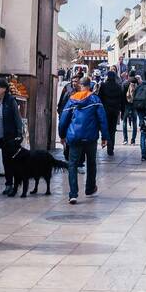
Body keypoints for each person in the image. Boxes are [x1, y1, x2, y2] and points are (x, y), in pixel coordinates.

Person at [58, 74, 108, 202]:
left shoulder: (72, 99)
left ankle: (73, 194)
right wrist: (104, 137)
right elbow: (102, 119)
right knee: (91, 163)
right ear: (90, 85)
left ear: (80, 86)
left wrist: (62, 135)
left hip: (74, 137)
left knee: (72, 164)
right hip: (90, 137)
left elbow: (64, 119)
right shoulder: (95, 100)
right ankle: (90, 188)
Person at [0, 76, 24, 195]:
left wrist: (19, 134)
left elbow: (17, 118)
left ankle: (9, 185)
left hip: (8, 137)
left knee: (7, 162)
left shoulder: (11, 101)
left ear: (4, 89)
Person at [98, 66, 125, 157]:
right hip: (115, 111)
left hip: (105, 111)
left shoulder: (103, 86)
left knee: (105, 128)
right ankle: (111, 148)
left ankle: (105, 141)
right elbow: (122, 100)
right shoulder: (118, 87)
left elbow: (100, 98)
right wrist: (122, 111)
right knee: (112, 130)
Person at [123, 73, 139, 144]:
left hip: (126, 104)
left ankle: (125, 139)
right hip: (134, 105)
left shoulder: (125, 83)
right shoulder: (137, 83)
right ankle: (133, 140)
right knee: (134, 122)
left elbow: (122, 95)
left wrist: (122, 107)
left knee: (124, 122)